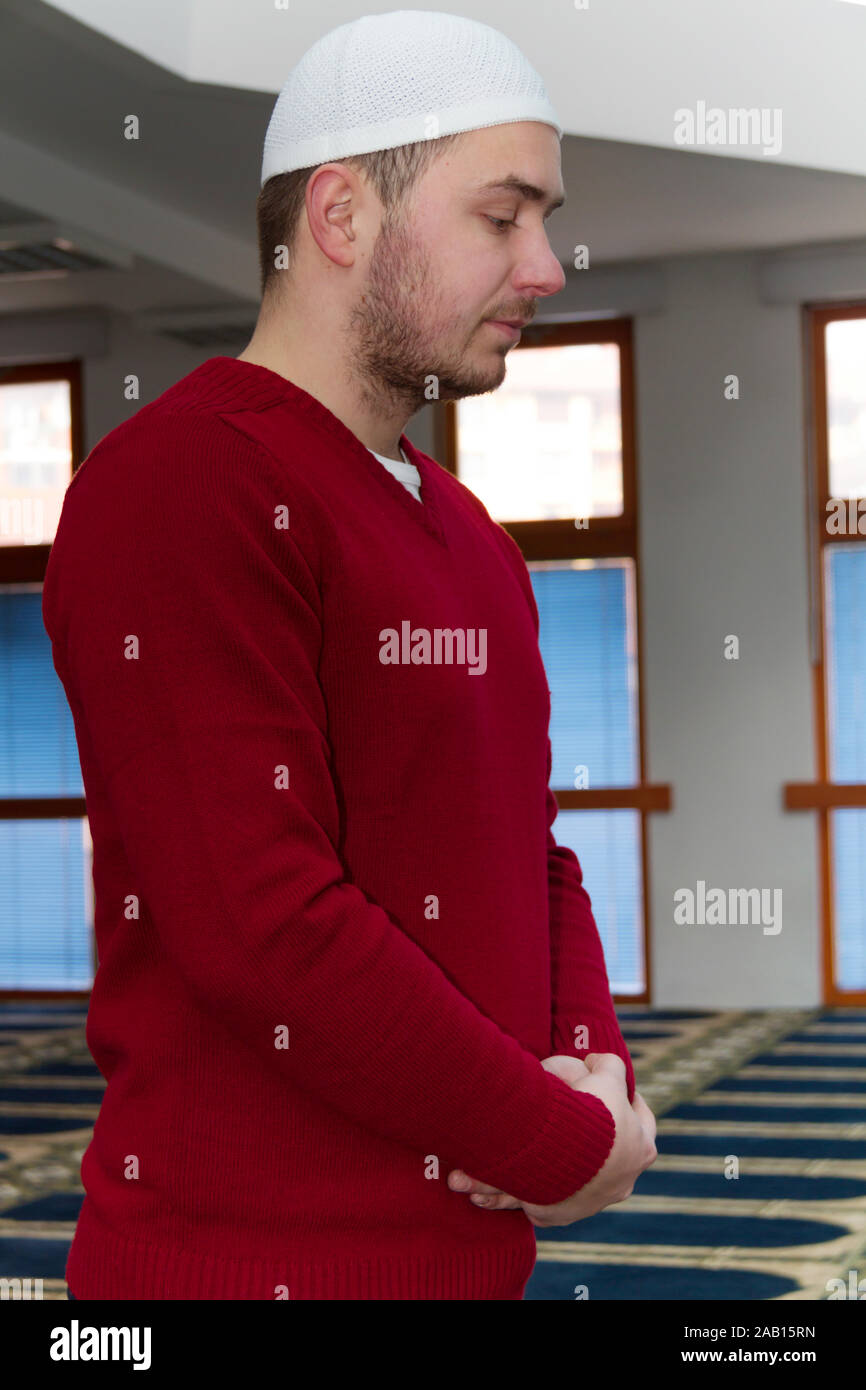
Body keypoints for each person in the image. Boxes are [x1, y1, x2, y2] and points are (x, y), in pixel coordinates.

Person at [43, 9, 655, 1302]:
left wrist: (596, 1075)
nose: (546, 264)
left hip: (465, 1262)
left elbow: (526, 849)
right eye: (503, 214)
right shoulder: (182, 485)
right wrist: (556, 1141)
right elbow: (261, 925)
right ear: (340, 218)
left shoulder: (471, 535)